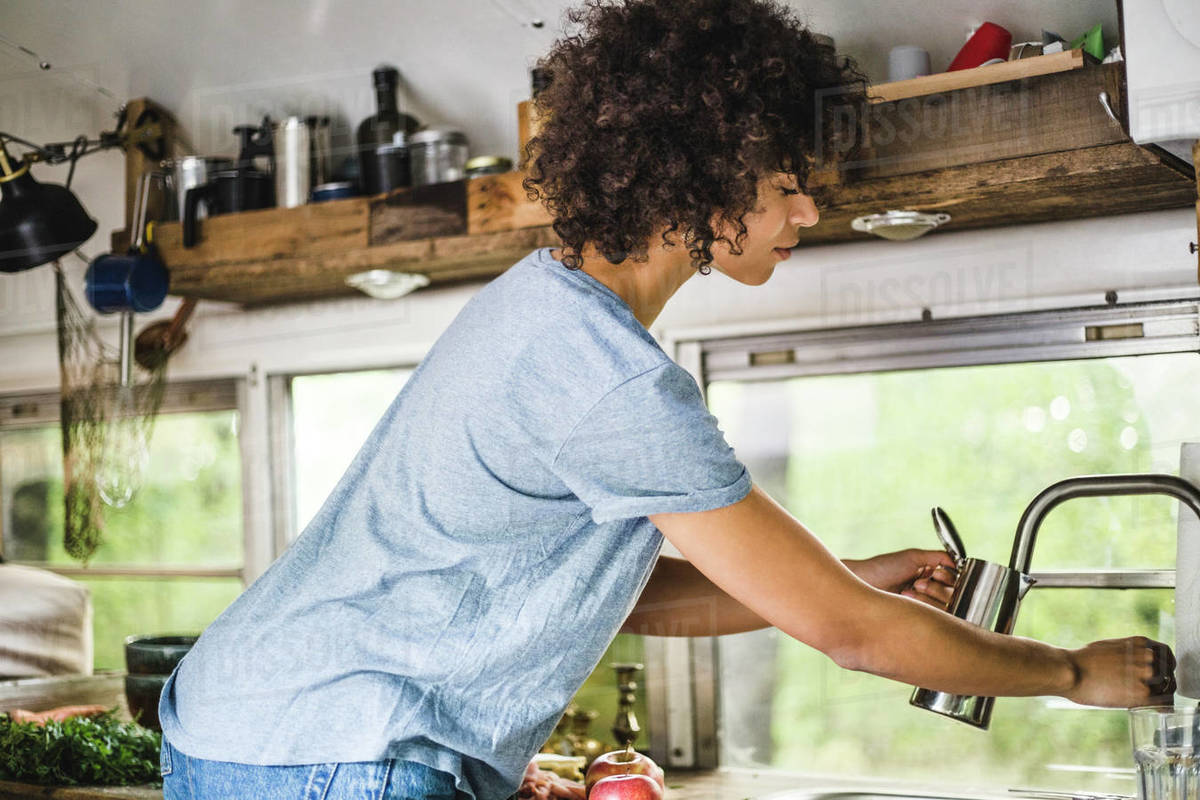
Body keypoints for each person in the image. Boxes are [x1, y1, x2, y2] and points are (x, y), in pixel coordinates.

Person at [157, 1, 1178, 798]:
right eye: (786, 182)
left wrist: (853, 574)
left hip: (248, 732)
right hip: (328, 752)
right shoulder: (606, 375)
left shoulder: (553, 314)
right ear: (703, 182)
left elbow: (630, 597)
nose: (808, 209)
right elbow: (851, 635)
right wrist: (1074, 671)